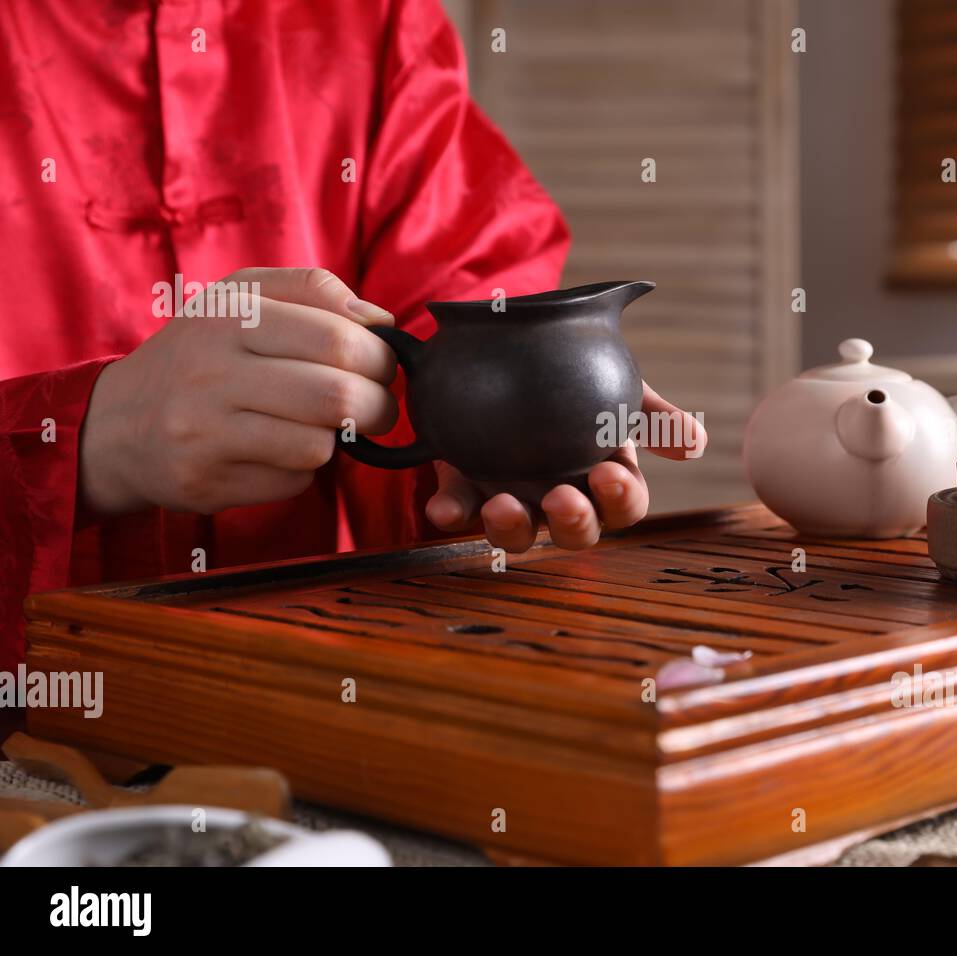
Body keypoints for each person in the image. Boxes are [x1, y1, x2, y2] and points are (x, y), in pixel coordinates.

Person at [0, 0, 705, 672]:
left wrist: (477, 430)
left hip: (311, 684)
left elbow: (457, 275)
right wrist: (89, 441)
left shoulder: (371, 22)